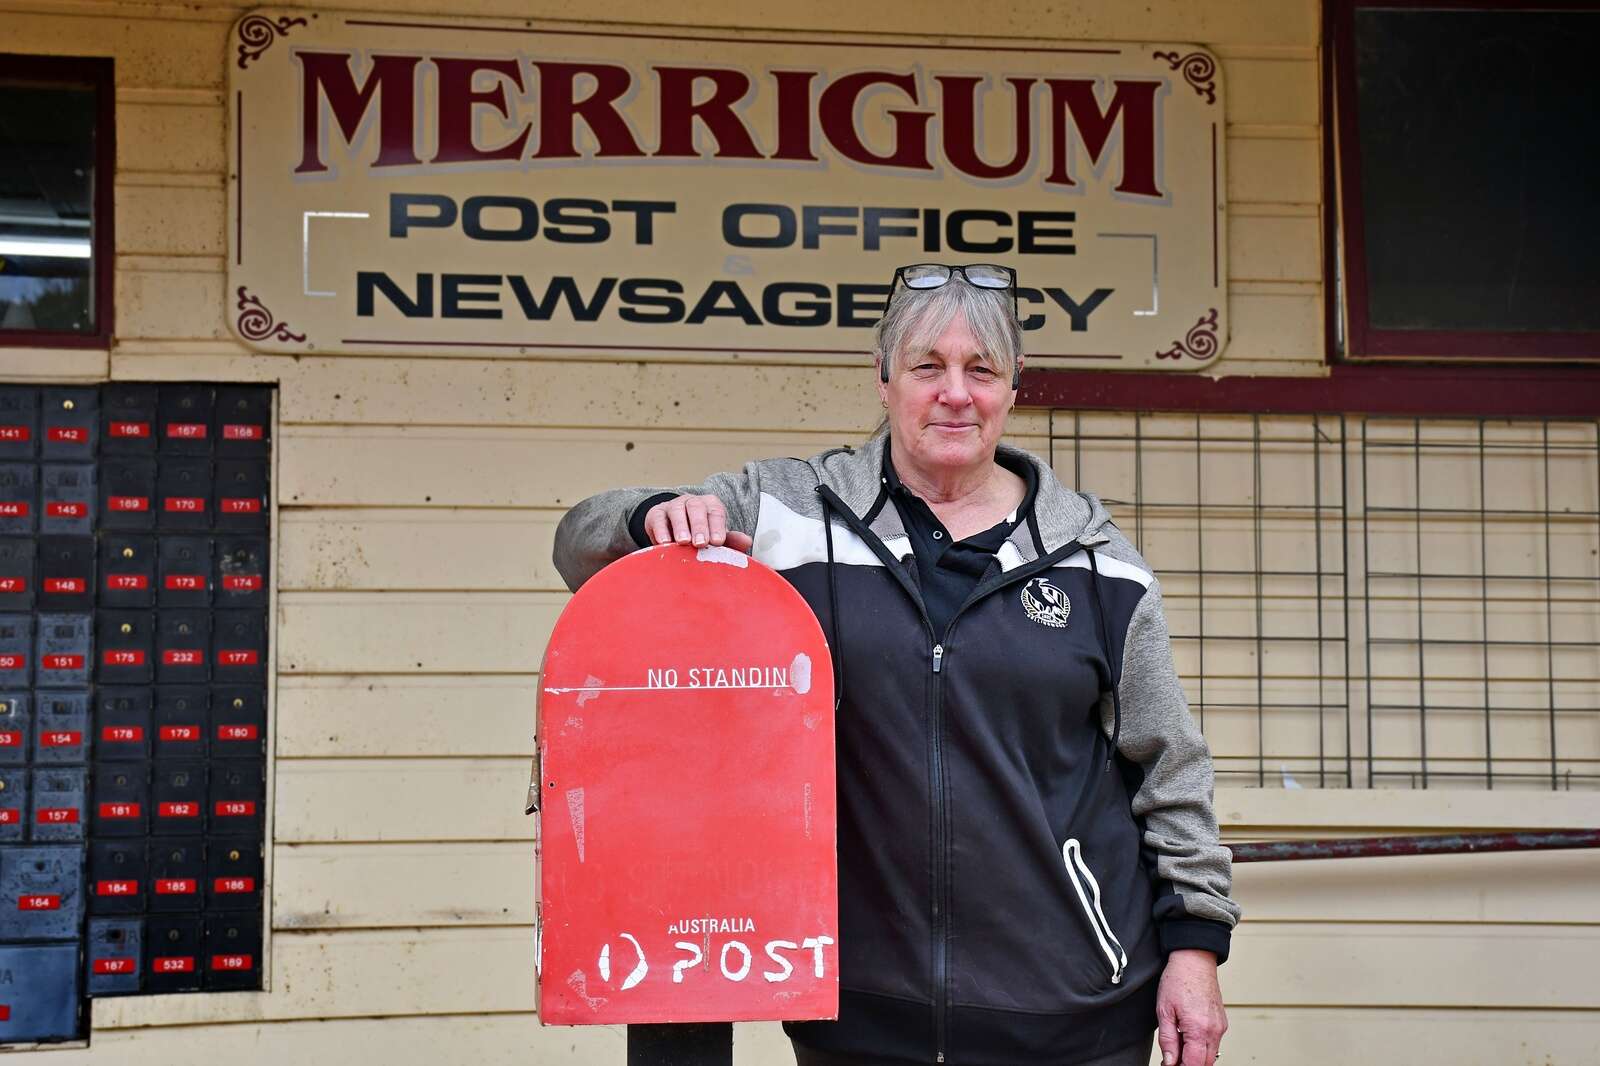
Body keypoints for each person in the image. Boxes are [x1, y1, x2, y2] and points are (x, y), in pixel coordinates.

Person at [552, 264, 1239, 1066]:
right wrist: (649, 518)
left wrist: (1195, 948)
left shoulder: (1099, 567)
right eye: (927, 366)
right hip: (862, 1017)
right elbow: (579, 542)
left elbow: (1170, 767)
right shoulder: (786, 515)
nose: (956, 392)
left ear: (1014, 387)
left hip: (1076, 1013)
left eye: (981, 368)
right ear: (883, 380)